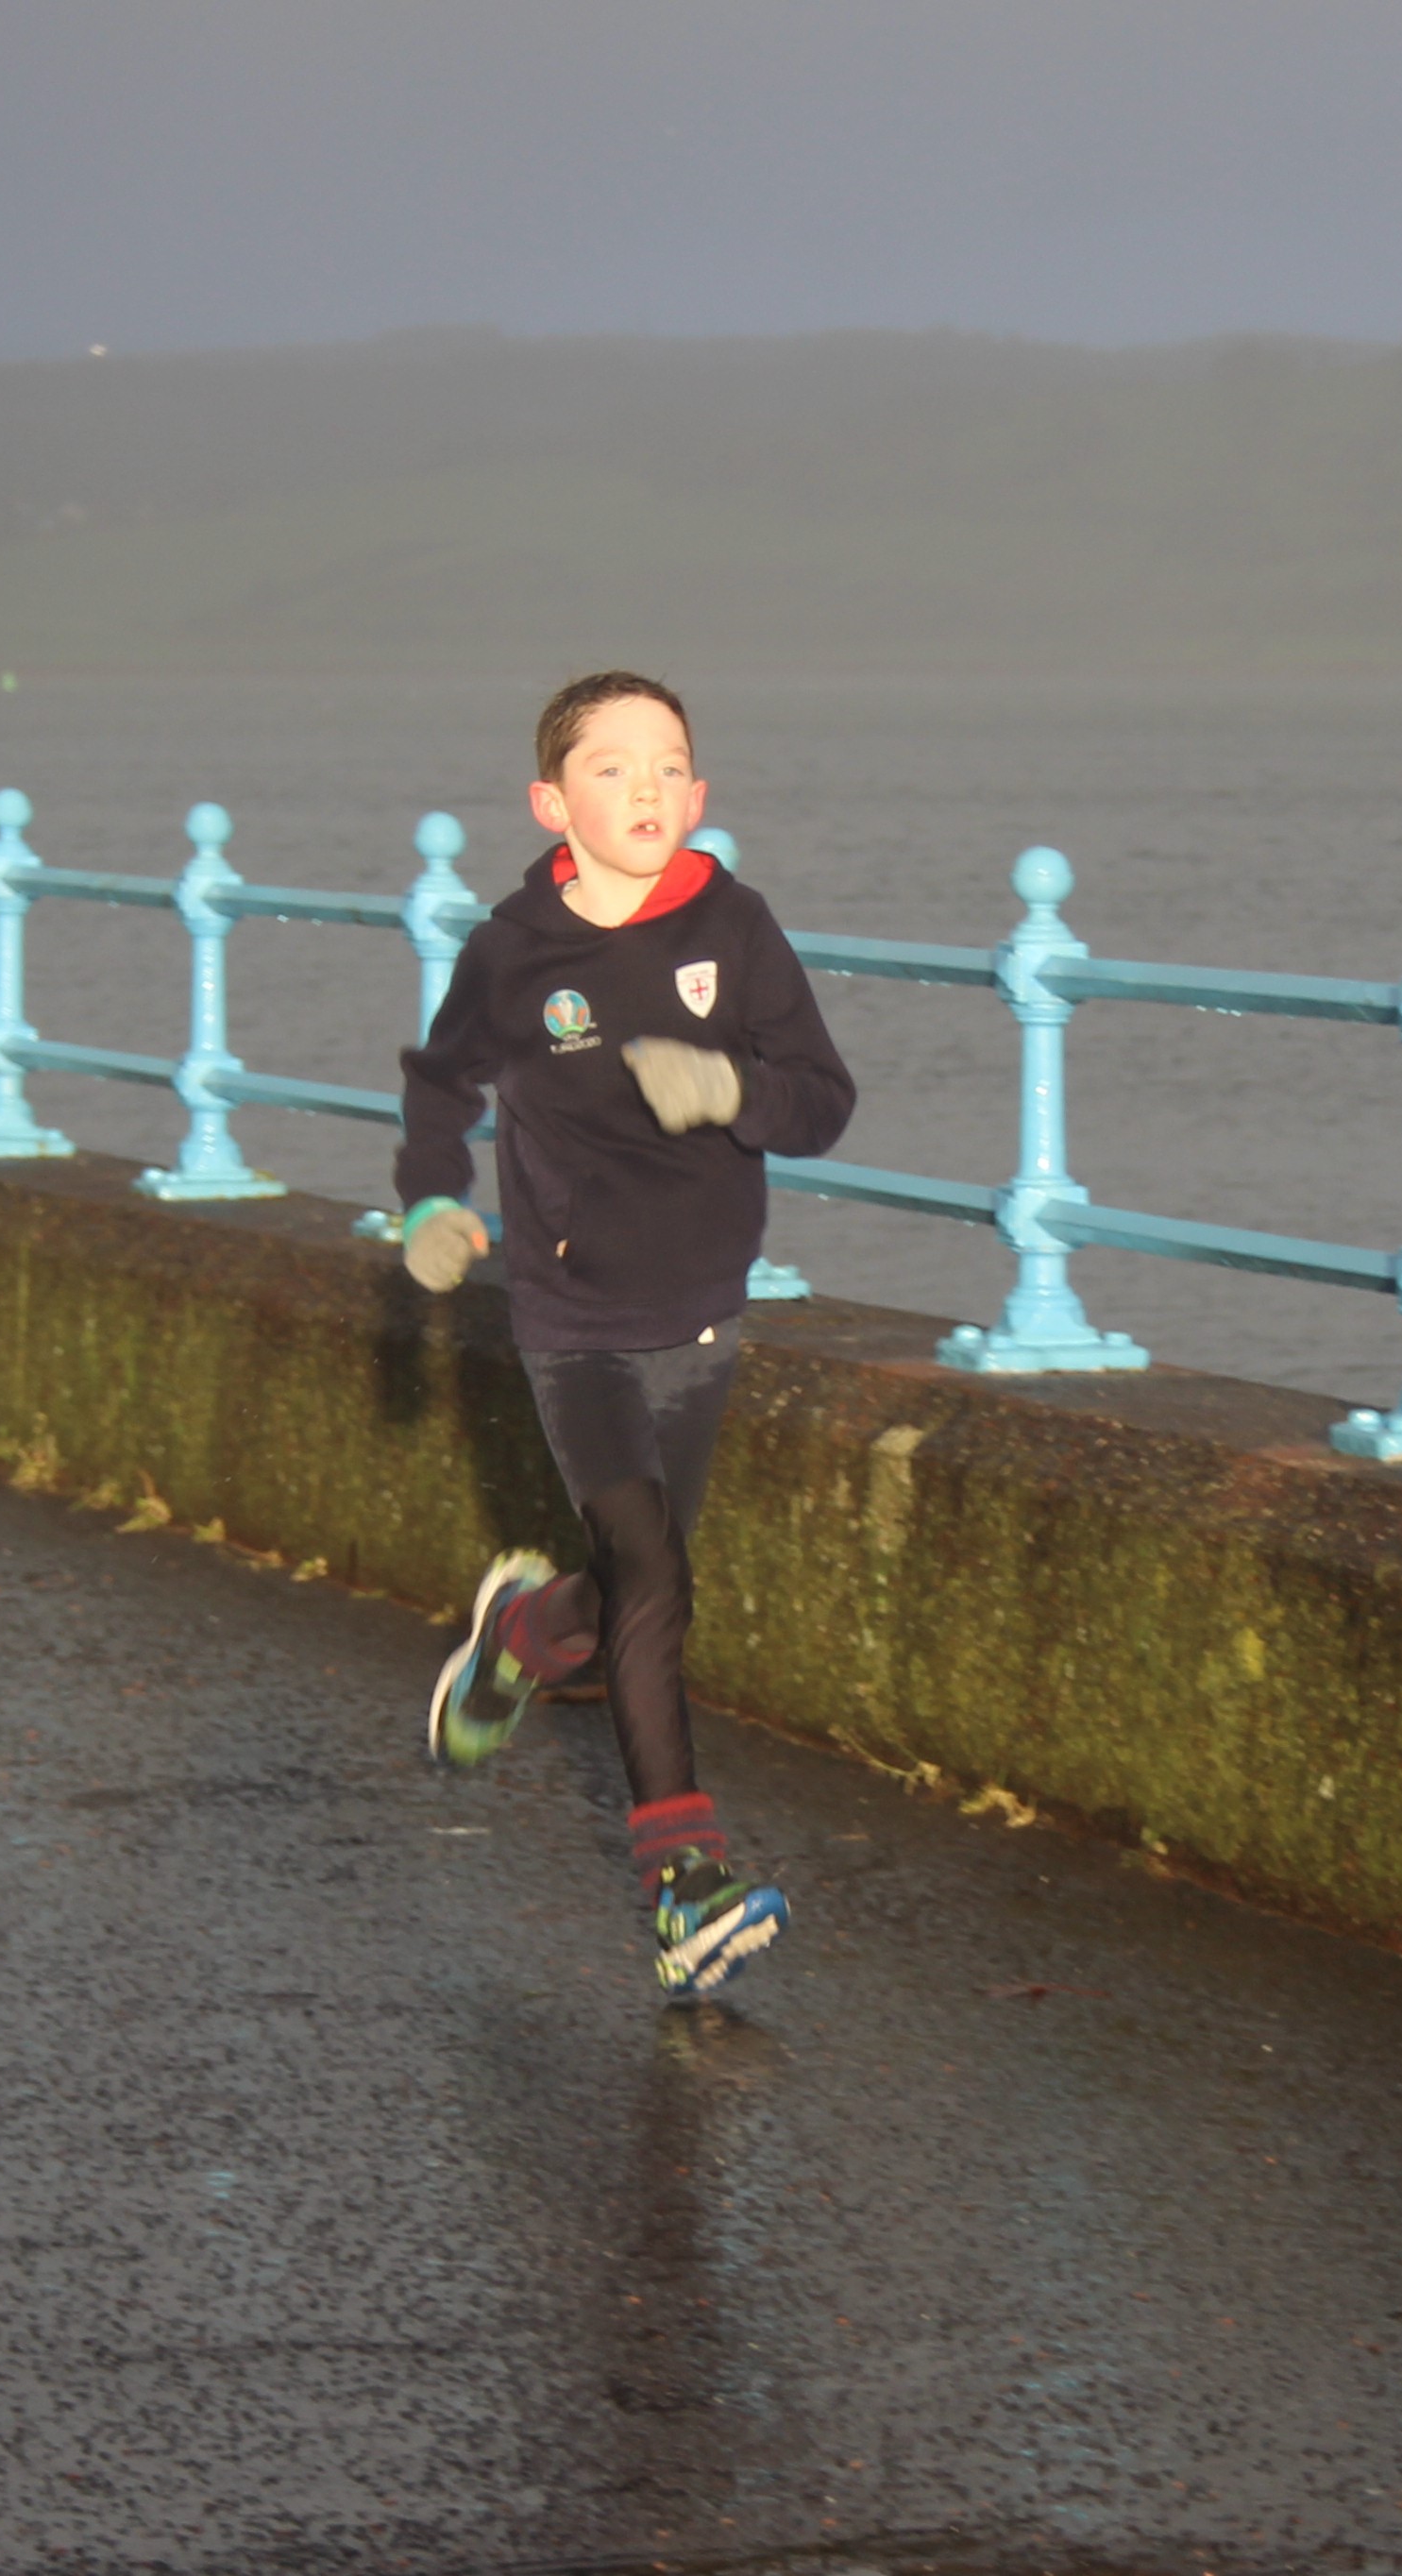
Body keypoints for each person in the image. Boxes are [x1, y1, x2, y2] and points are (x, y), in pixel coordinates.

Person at [396, 671, 855, 1998]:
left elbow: (822, 1098)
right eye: (615, 768)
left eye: (670, 767)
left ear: (700, 796)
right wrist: (432, 1196)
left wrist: (731, 1089)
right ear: (553, 801)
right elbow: (441, 1084)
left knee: (622, 1596)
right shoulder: (514, 952)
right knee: (656, 1575)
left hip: (702, 1310)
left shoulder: (736, 924)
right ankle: (685, 1886)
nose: (648, 789)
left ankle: (525, 1636)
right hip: (575, 1319)